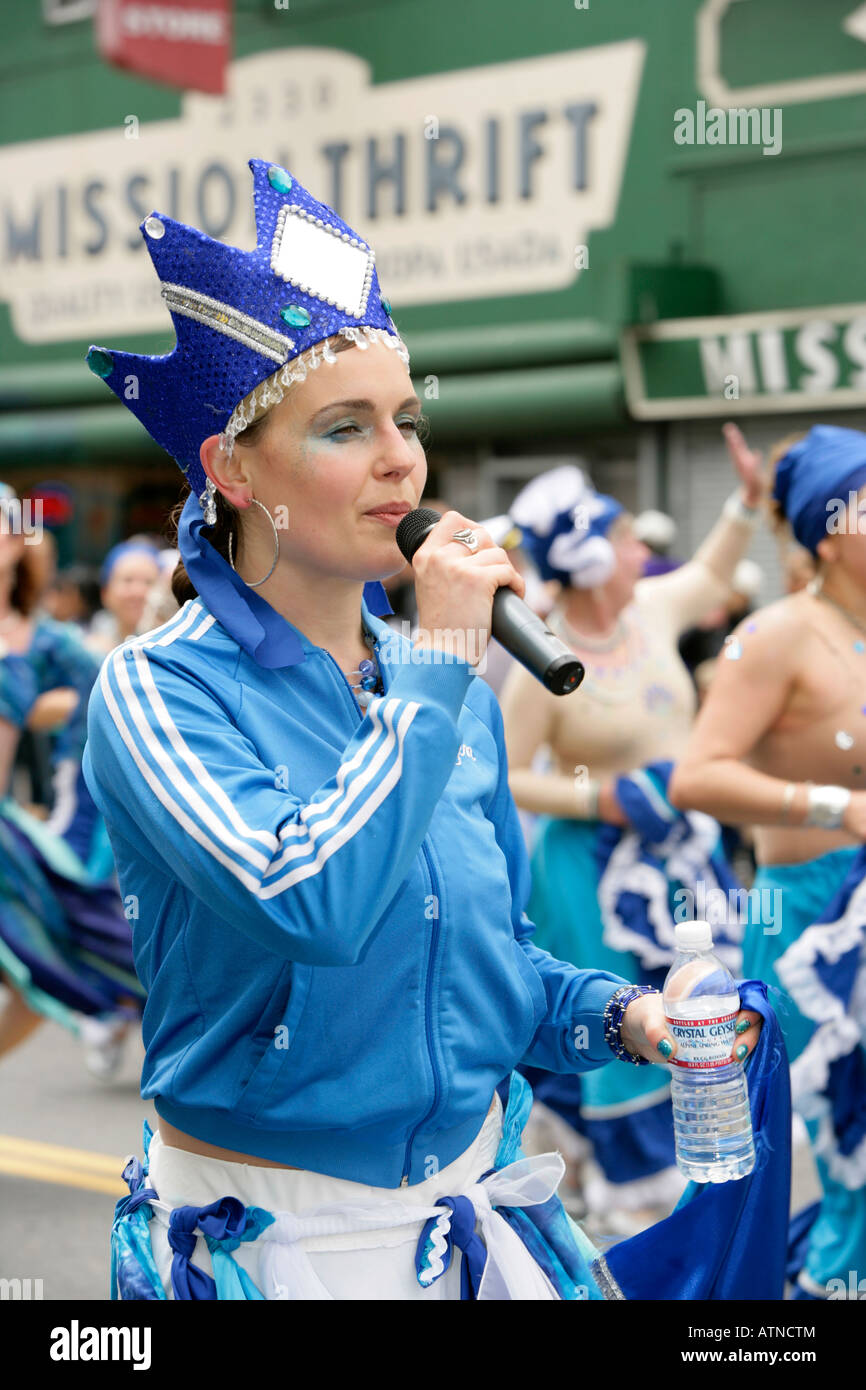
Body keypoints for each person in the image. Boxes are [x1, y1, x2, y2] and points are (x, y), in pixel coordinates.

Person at [80, 159, 764, 1301]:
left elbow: (488, 968)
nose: (403, 458)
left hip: (473, 1224)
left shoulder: (427, 679)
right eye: (346, 427)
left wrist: (626, 1016)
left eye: (407, 419)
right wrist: (444, 662)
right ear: (233, 468)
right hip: (271, 1248)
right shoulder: (156, 693)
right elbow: (313, 901)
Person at [499, 425, 763, 1230]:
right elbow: (507, 776)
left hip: (684, 852)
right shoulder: (546, 656)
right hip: (591, 867)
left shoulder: (655, 606)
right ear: (584, 556)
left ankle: (705, 1163)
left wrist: (747, 499)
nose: (635, 548)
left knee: (708, 997)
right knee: (628, 1009)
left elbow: (716, 569)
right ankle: (629, 1195)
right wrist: (601, 799)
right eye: (619, 536)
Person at [670, 424, 866, 1299]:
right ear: (831, 533)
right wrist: (837, 805)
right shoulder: (778, 635)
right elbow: (696, 775)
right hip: (806, 921)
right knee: (815, 1155)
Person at [0, 483, 144, 1075]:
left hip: (12, 839)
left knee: (51, 958)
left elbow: (115, 690)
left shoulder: (42, 640)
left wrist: (52, 723)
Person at [86, 540, 162, 657]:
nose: (138, 592)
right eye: (128, 580)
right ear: (105, 592)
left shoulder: (171, 651)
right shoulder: (85, 649)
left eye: (148, 582)